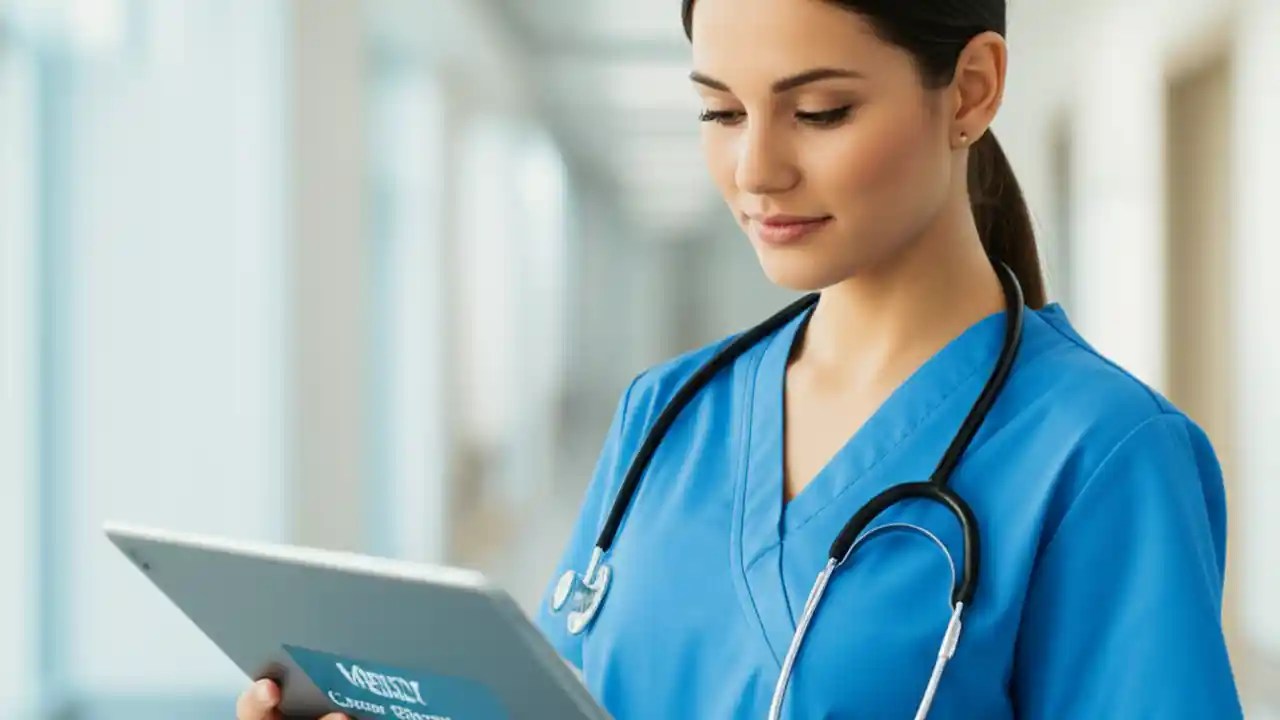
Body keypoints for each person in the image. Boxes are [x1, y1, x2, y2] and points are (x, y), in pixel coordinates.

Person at [237, 0, 1243, 717]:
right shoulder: (665, 414)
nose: (755, 169)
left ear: (969, 91)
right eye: (718, 111)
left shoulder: (1099, 456)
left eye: (818, 111)